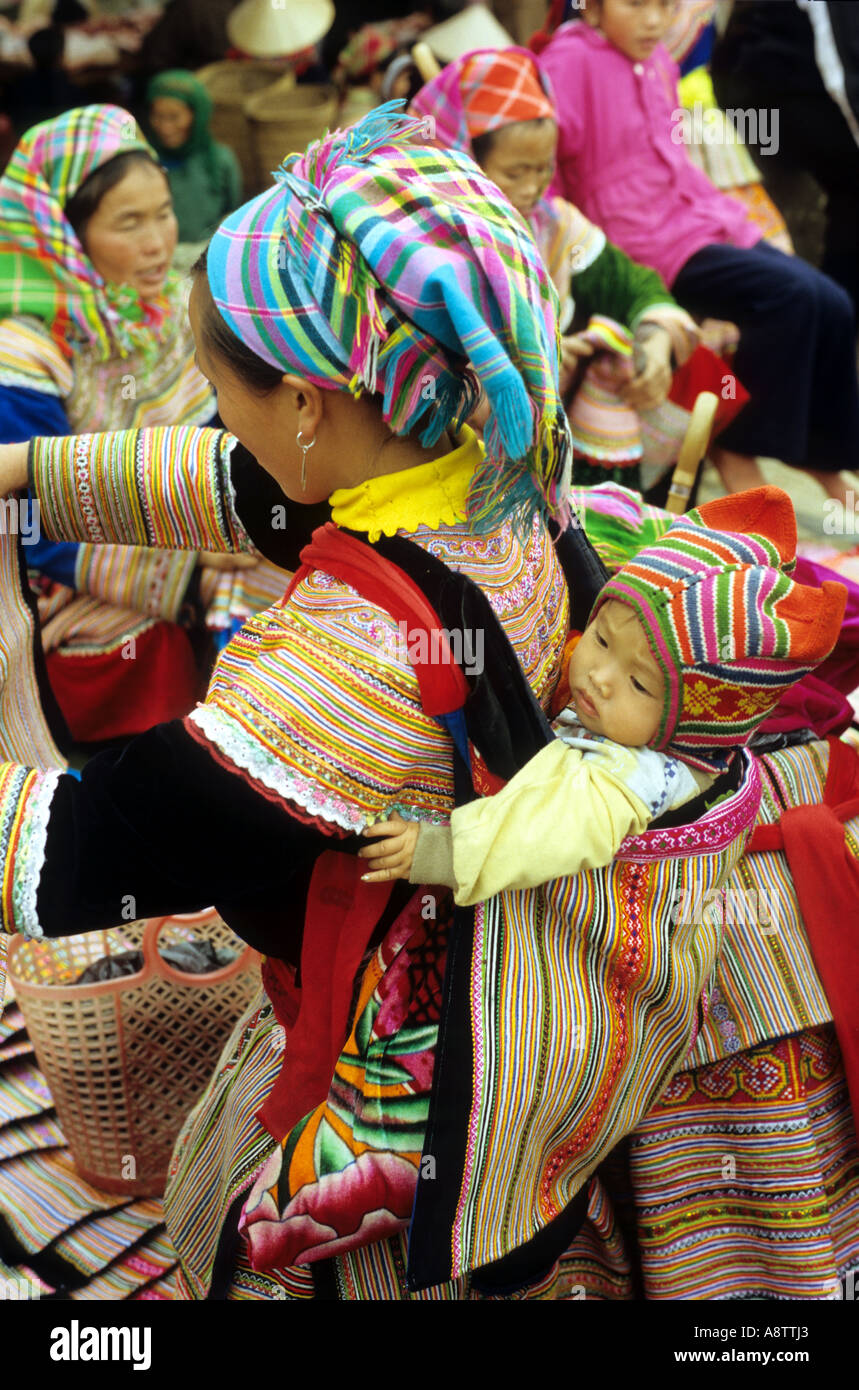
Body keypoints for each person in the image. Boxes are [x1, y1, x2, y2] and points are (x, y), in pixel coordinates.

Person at [360, 487, 846, 902]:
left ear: (689, 724)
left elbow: (546, 833)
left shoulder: (627, 781)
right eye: (602, 639)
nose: (600, 677)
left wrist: (438, 851)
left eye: (638, 683)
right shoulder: (629, 718)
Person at [538, 0, 859, 503]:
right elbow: (546, 174)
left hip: (694, 223)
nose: (654, 20)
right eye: (637, 5)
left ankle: (821, 457)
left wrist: (741, 225)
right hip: (642, 245)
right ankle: (735, 443)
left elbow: (680, 164)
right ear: (594, 9)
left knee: (833, 302)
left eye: (665, 5)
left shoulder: (658, 63)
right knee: (789, 298)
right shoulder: (568, 63)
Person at [0, 104, 228, 745]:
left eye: (162, 212)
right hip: (67, 582)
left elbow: (210, 430)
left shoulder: (158, 314)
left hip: (187, 540)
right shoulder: (24, 351)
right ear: (63, 236)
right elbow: (29, 526)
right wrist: (184, 569)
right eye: (129, 223)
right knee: (145, 649)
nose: (158, 240)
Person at [410, 46, 715, 490]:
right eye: (515, 173)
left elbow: (634, 286)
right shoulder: (423, 249)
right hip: (454, 461)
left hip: (549, 452)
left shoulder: (554, 229)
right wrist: (538, 362)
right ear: (461, 158)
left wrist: (655, 340)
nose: (534, 188)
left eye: (544, 169)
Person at [146, 69, 242, 247]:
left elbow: (232, 212)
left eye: (174, 117)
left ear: (196, 116)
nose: (165, 128)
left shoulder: (220, 161)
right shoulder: (145, 163)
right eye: (158, 117)